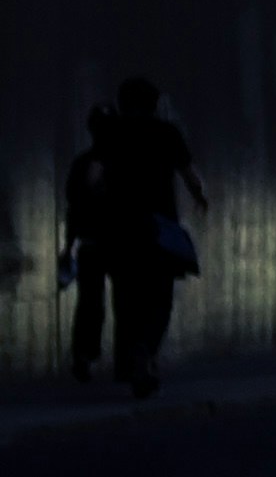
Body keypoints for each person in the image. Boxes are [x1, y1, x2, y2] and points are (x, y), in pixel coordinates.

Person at [88, 77, 208, 396]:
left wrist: (100, 196)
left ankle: (130, 360)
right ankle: (145, 350)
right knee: (160, 298)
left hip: (120, 228)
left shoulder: (111, 131)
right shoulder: (167, 132)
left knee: (126, 298)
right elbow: (190, 175)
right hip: (158, 229)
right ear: (154, 104)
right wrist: (200, 197)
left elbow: (94, 175)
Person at [61, 106, 110, 384]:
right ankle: (128, 359)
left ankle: (85, 356)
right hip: (118, 243)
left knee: (91, 304)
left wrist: (69, 245)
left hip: (92, 243)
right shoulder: (125, 163)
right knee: (114, 304)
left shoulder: (82, 163)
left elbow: (74, 209)